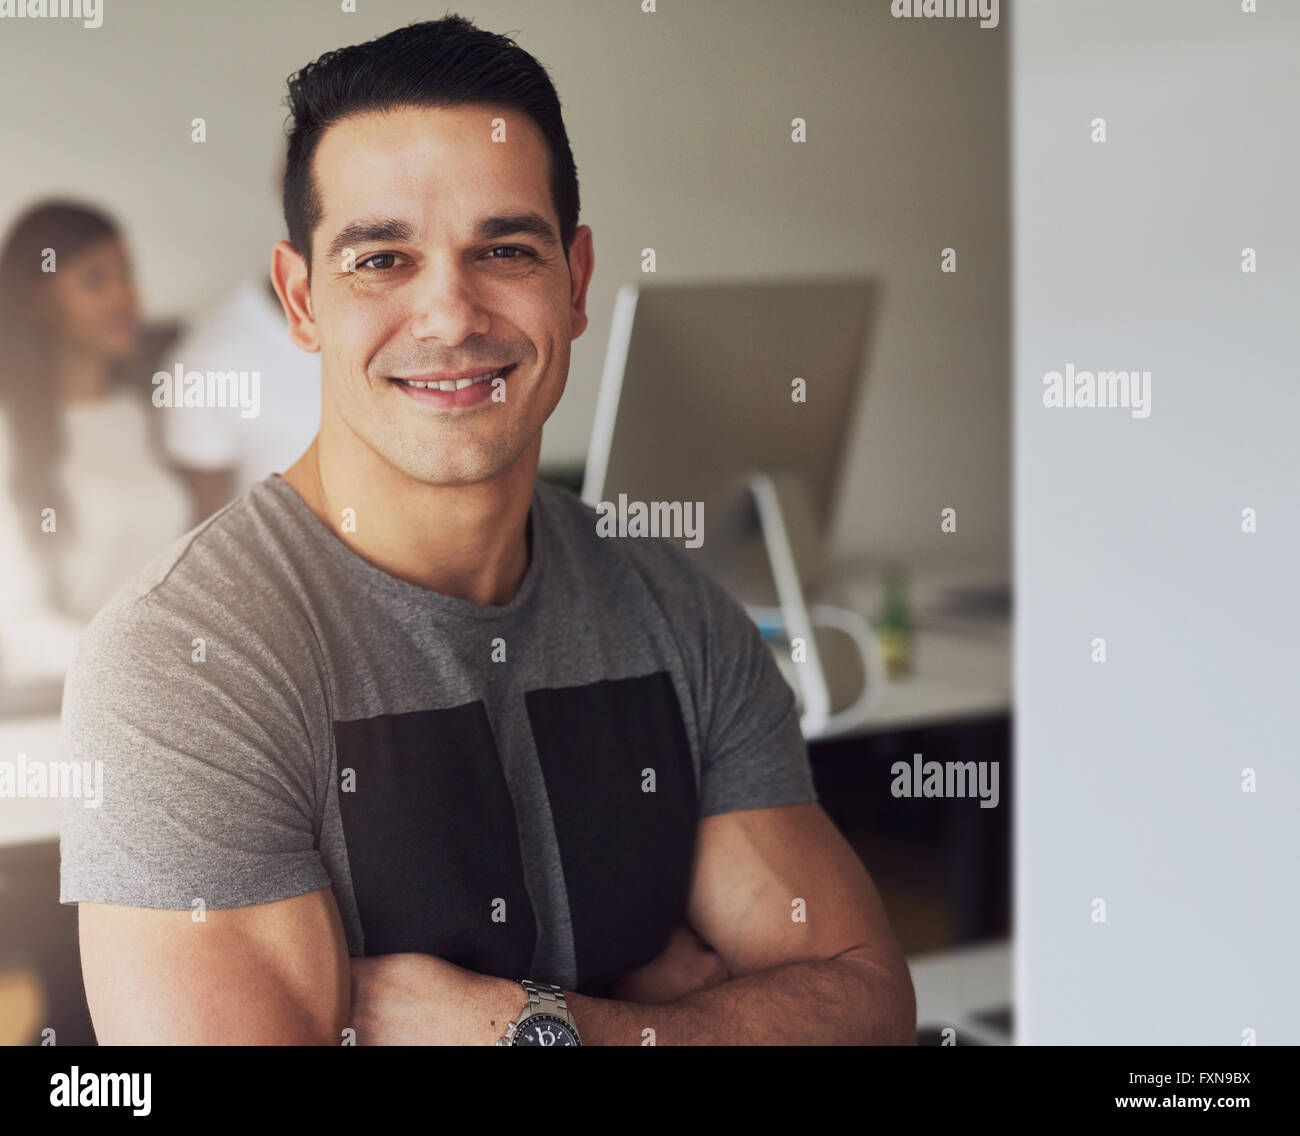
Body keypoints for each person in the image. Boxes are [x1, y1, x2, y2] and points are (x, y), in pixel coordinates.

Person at [58, 16, 915, 1045]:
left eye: (503, 248)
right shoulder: (184, 660)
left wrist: (531, 1027)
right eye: (381, 258)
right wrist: (691, 1017)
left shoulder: (676, 609)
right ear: (301, 300)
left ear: (576, 279)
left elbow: (863, 1006)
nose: (449, 314)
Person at [0, 201, 190, 691]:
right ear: (39, 301)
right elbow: (22, 628)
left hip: (165, 698)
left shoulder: (145, 415)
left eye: (127, 273)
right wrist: (151, 669)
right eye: (95, 280)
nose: (125, 296)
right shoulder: (9, 436)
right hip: (58, 705)